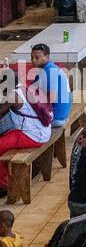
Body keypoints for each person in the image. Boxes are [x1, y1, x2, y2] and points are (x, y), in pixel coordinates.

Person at [0, 67, 50, 197]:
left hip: (32, 135)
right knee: (5, 138)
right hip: (42, 130)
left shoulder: (12, 96)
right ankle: (5, 175)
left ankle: (3, 185)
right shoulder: (23, 87)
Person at [26, 43, 71, 129]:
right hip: (61, 115)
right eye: (32, 57)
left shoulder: (50, 72)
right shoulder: (47, 68)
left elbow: (50, 100)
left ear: (47, 57)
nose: (33, 60)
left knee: (20, 121)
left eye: (37, 57)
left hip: (57, 118)